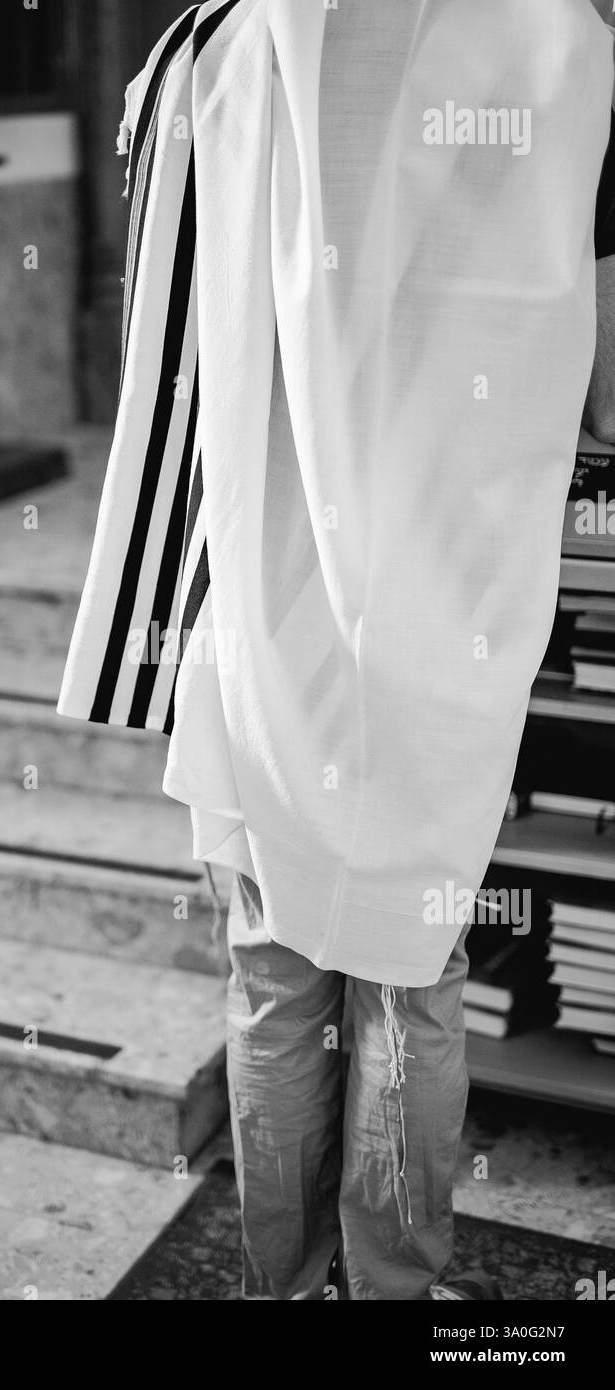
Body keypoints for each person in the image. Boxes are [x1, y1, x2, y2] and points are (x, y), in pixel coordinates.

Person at [58, 0, 614, 1299]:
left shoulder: (215, 43)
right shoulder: (560, 38)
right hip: (437, 604)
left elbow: (165, 367)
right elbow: (601, 396)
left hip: (262, 599)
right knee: (408, 989)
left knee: (271, 976)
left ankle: (283, 1284)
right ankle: (390, 1292)